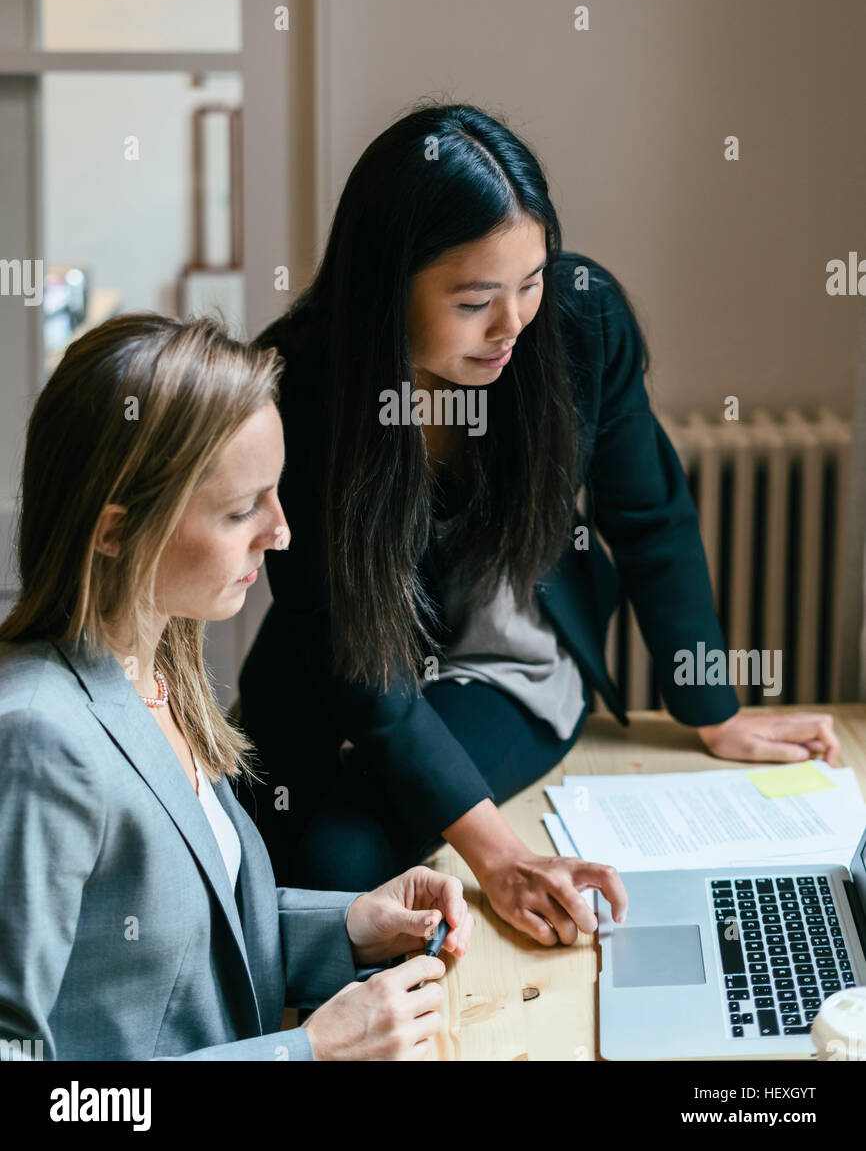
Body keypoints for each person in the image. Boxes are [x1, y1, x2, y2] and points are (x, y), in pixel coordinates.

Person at [237, 100, 839, 947]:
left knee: (342, 858)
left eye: (531, 280)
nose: (514, 322)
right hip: (343, 670)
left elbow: (650, 516)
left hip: (500, 662)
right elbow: (354, 659)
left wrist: (715, 708)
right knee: (256, 859)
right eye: (477, 298)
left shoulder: (583, 323)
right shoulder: (298, 386)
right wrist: (501, 860)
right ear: (385, 286)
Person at [0, 312, 472, 1061]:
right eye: (240, 509)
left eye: (276, 493)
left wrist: (350, 925)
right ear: (116, 530)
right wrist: (304, 1052)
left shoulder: (162, 674)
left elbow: (183, 940)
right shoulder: (37, 738)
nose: (281, 532)